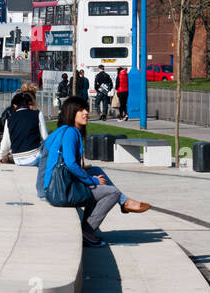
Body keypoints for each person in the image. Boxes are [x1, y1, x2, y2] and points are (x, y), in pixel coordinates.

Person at [38, 96, 149, 246]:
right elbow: (70, 163)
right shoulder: (71, 132)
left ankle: (124, 202)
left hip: (52, 187)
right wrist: (92, 181)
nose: (86, 113)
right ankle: (87, 231)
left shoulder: (61, 131)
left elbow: (51, 159)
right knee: (112, 192)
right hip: (60, 191)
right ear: (72, 113)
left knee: (96, 170)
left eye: (86, 110)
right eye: (81, 110)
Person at [0, 89, 48, 166]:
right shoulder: (38, 114)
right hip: (35, 157)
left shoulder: (9, 119)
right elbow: (45, 137)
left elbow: (5, 143)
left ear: (15, 106)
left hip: (18, 159)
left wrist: (1, 156)